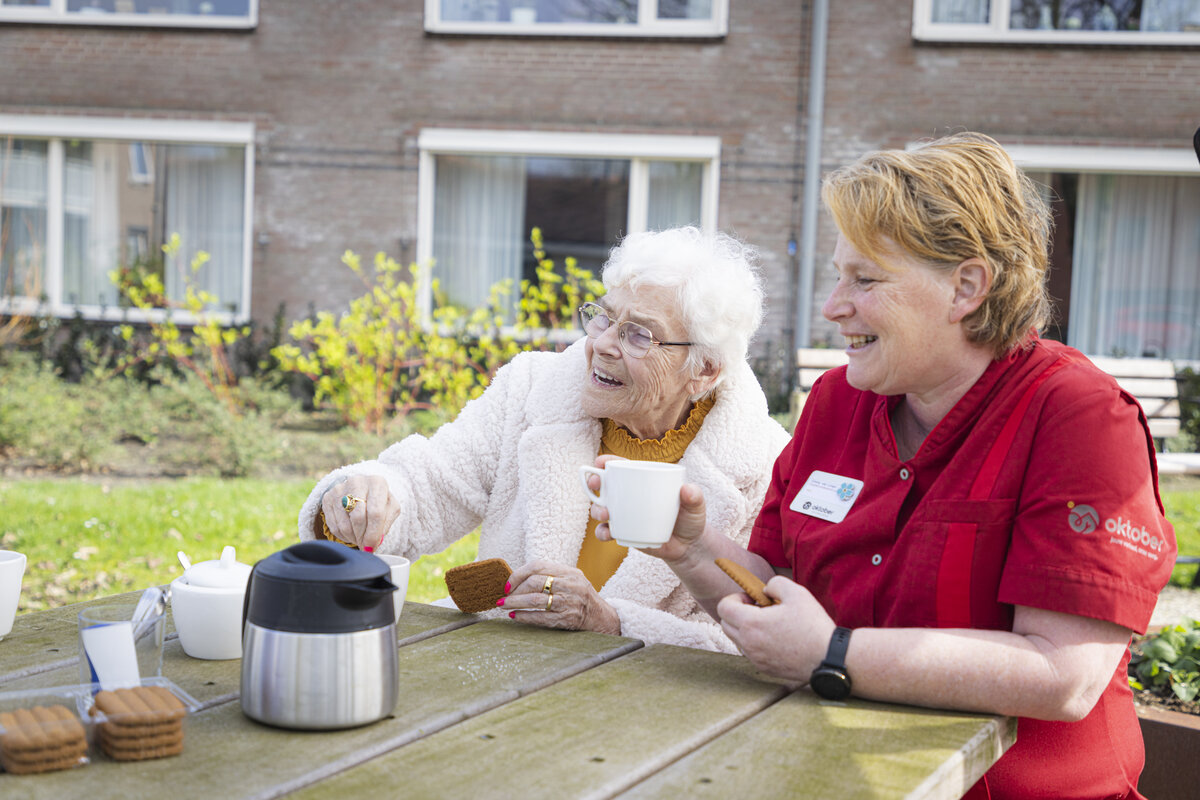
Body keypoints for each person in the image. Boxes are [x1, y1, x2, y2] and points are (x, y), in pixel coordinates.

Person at [592, 134, 1176, 798]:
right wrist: (690, 550)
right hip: (832, 776)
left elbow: (1064, 676)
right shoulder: (837, 403)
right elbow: (774, 593)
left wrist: (833, 656)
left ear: (966, 288)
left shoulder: (1079, 418)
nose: (833, 306)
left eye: (864, 279)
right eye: (839, 275)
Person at [298, 225, 791, 653]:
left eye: (639, 335)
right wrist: (358, 499)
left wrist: (611, 622)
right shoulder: (533, 387)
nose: (601, 343)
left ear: (703, 371)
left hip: (644, 714)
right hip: (502, 671)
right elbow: (427, 487)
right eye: (604, 316)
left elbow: (740, 644)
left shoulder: (763, 466)